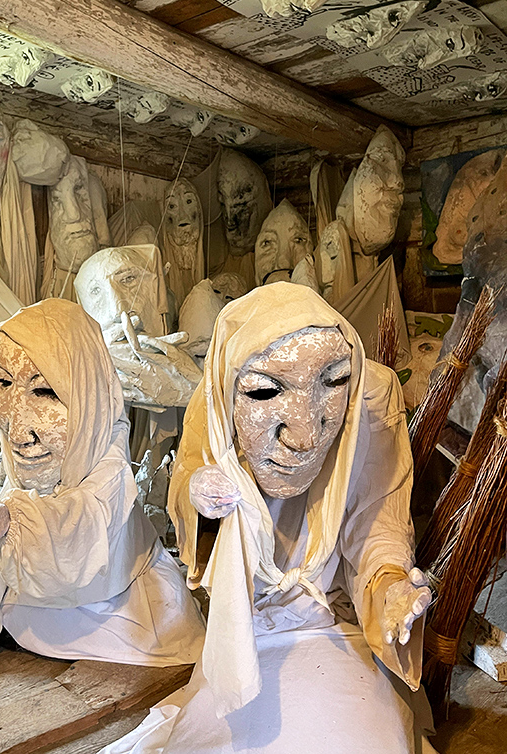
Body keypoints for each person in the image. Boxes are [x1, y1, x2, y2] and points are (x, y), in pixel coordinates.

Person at [102, 282, 434, 754]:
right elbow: (189, 480)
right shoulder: (214, 399)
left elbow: (377, 525)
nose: (304, 437)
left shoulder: (371, 398)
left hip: (335, 629)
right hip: (245, 628)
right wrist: (201, 498)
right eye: (263, 391)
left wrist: (392, 589)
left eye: (333, 383)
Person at [0, 299, 204, 695]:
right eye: (3, 383)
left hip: (121, 616)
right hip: (32, 616)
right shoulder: (29, 461)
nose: (17, 427)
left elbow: (89, 519)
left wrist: (10, 520)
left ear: (89, 391)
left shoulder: (106, 453)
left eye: (44, 390)